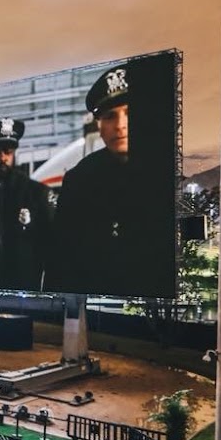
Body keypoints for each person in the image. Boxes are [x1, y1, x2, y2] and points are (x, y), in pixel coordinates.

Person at [47, 62, 175, 296]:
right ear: (100, 126)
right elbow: (62, 260)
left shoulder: (167, 170)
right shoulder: (79, 179)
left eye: (129, 113)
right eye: (110, 116)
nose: (120, 125)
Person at [0, 118, 53, 291]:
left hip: (24, 290)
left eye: (8, 151)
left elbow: (51, 244)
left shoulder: (35, 193)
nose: (2, 158)